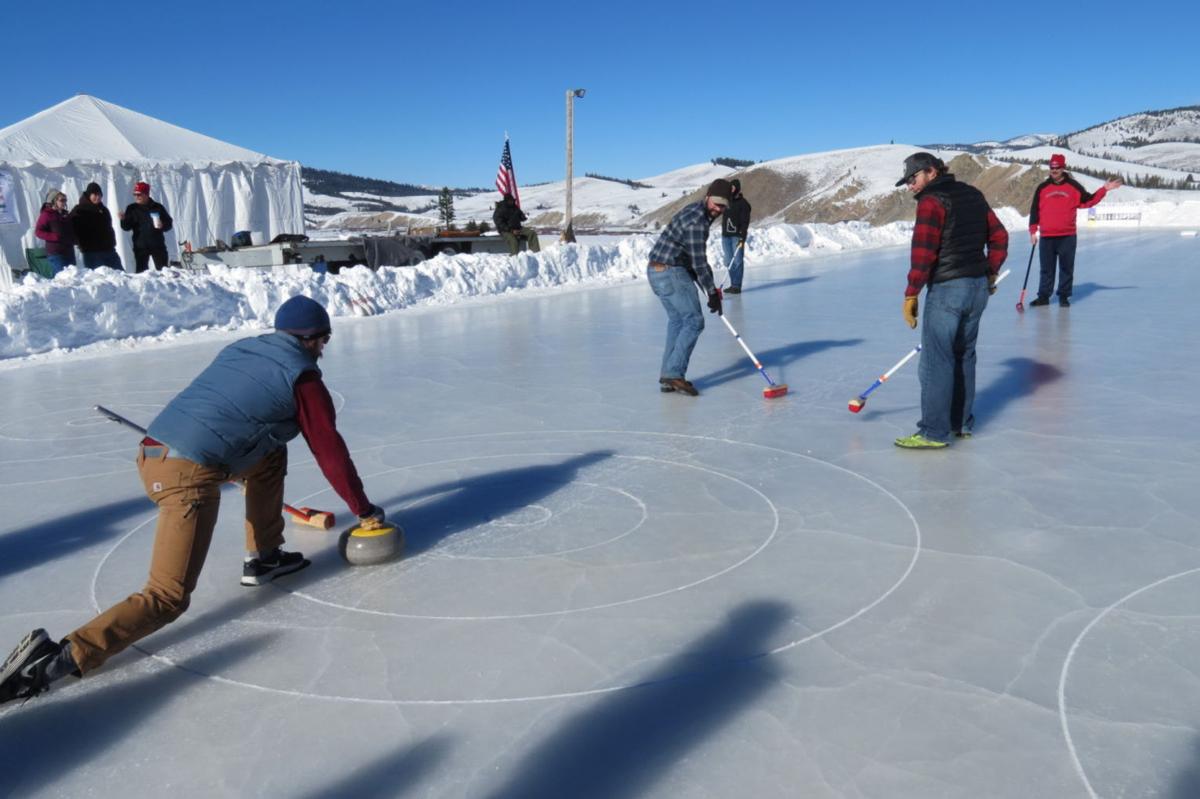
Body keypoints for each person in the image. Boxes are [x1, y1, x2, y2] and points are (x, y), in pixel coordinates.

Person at [0, 296, 387, 706]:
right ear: (310, 339)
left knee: (272, 452)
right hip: (187, 475)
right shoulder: (303, 379)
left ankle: (265, 556)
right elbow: (329, 450)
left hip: (156, 451)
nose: (324, 348)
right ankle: (53, 661)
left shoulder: (242, 348)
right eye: (324, 339)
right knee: (167, 596)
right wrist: (363, 510)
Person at [894, 153, 1008, 449]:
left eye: (912, 178)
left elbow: (924, 253)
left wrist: (911, 292)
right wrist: (990, 273)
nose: (909, 186)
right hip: (977, 287)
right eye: (907, 181)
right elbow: (999, 236)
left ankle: (933, 431)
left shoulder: (932, 201)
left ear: (931, 172)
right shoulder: (973, 194)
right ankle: (960, 423)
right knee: (963, 355)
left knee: (935, 360)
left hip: (948, 290)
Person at [646, 179, 730, 396]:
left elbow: (689, 255)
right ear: (708, 196)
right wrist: (712, 292)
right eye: (716, 204)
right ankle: (674, 373)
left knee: (678, 322)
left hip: (657, 272)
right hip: (671, 272)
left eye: (722, 206)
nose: (718, 209)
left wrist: (707, 286)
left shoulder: (695, 209)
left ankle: (668, 377)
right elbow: (699, 261)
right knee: (693, 321)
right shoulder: (697, 221)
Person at [1027, 154, 1121, 307]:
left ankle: (1064, 296)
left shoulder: (1073, 186)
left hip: (1067, 236)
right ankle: (1043, 297)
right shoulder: (1042, 188)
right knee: (1046, 269)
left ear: (1063, 168)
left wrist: (1104, 189)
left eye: (1057, 167)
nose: (1054, 170)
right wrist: (1032, 231)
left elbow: (1088, 201)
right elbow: (1035, 210)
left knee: (1066, 268)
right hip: (1047, 236)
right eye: (1052, 167)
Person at [120, 181, 173, 272]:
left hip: (157, 245)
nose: (136, 197)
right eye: (135, 194)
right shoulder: (132, 208)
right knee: (141, 273)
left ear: (146, 194)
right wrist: (123, 219)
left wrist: (162, 225)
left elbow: (169, 224)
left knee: (163, 271)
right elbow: (126, 227)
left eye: (139, 194)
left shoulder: (157, 207)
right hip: (141, 247)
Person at [69, 182, 123, 270]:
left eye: (99, 195)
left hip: (109, 250)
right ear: (89, 195)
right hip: (92, 252)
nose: (98, 197)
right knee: (99, 279)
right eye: (95, 194)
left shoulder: (104, 210)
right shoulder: (79, 209)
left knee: (120, 276)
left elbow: (109, 227)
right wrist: (80, 242)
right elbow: (70, 227)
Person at [34, 188, 77, 274]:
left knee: (73, 278)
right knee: (62, 279)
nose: (64, 202)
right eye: (62, 200)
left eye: (65, 200)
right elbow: (38, 232)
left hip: (69, 252)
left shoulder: (65, 214)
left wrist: (74, 239)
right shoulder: (47, 215)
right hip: (56, 254)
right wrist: (53, 236)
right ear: (54, 201)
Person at [720, 179, 752, 293]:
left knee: (737, 261)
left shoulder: (744, 204)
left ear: (737, 188)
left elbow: (745, 223)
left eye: (733, 187)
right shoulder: (726, 202)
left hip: (736, 237)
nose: (731, 189)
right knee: (729, 261)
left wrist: (742, 237)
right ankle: (733, 284)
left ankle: (737, 286)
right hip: (725, 236)